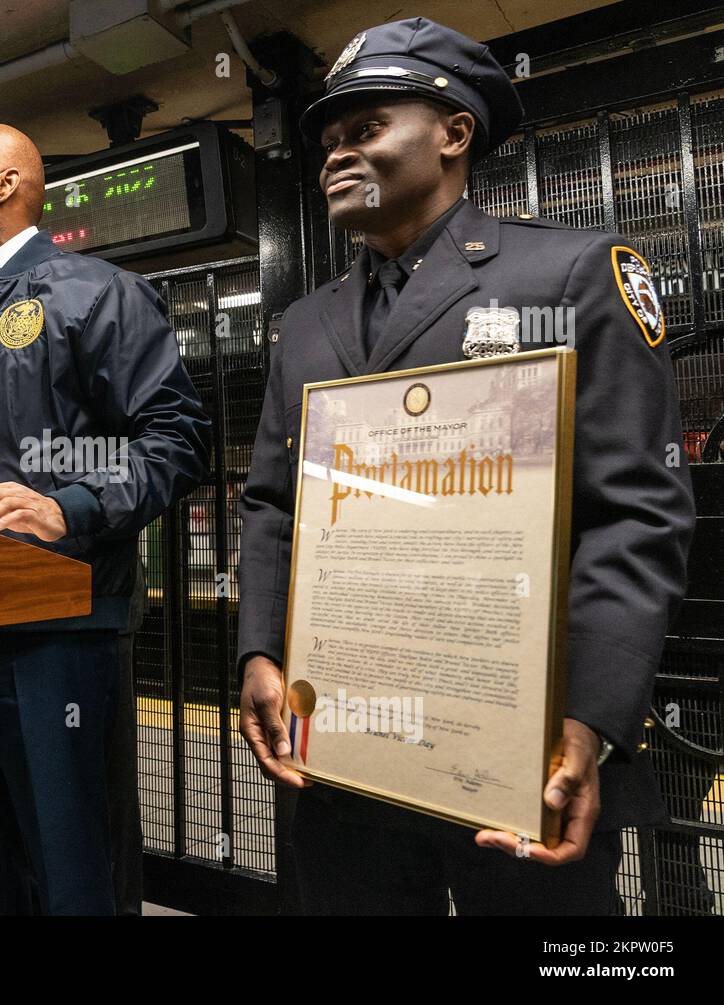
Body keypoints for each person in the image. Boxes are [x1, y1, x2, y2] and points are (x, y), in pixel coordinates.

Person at [237, 17, 696, 915]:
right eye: (329, 140)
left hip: (513, 741)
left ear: (454, 134)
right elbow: (269, 501)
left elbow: (636, 510)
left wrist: (591, 719)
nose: (337, 153)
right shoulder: (305, 324)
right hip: (344, 740)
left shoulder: (567, 274)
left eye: (366, 129)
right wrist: (259, 646)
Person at [0, 123, 211, 914]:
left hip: (55, 630)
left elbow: (177, 440)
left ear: (6, 184)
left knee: (71, 864)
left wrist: (68, 506)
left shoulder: (97, 292)